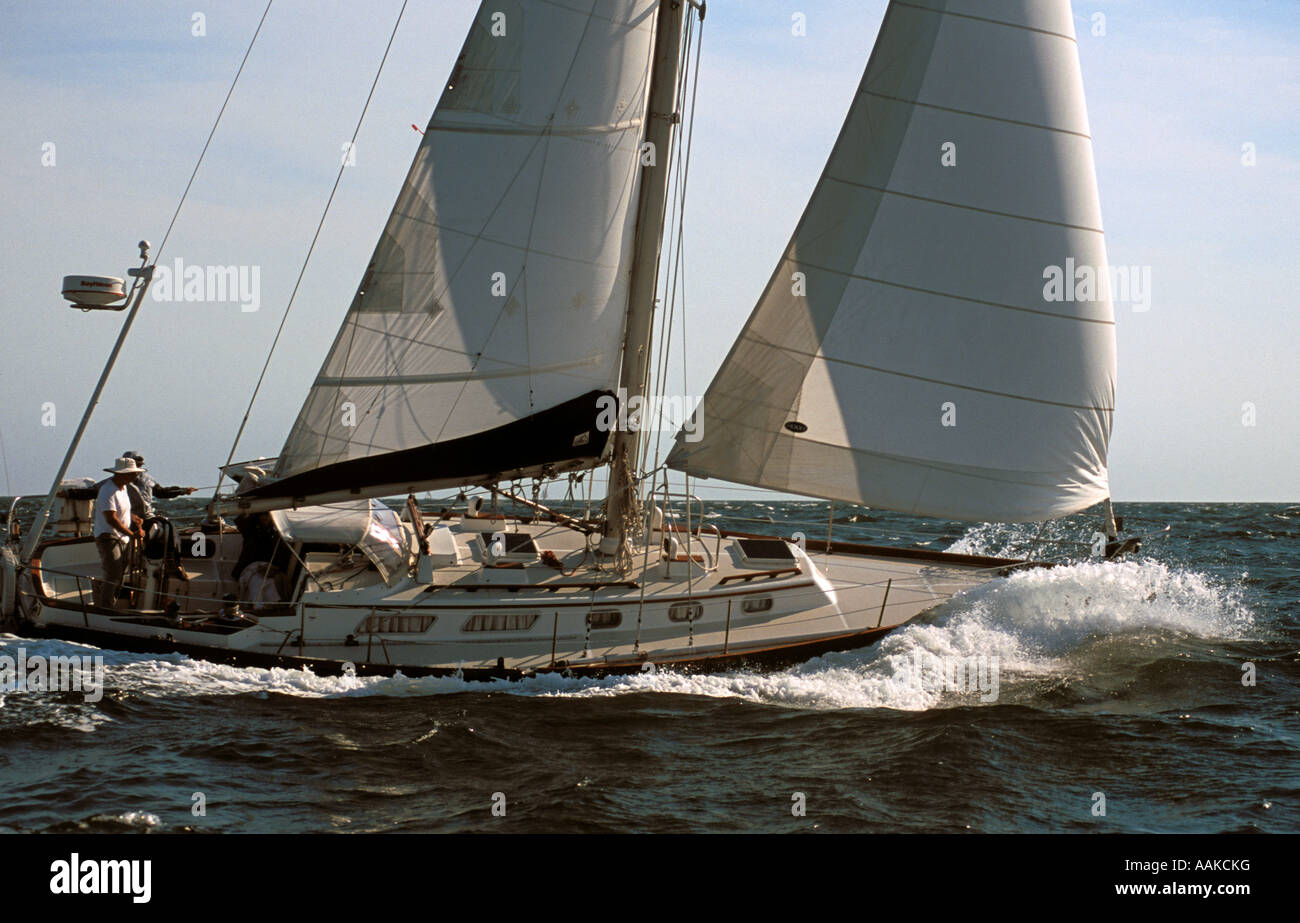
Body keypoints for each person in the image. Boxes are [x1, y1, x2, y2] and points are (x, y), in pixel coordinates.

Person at [94, 456, 146, 608]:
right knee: (113, 574)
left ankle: (111, 604)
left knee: (120, 575)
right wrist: (132, 534)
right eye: (134, 473)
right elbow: (111, 519)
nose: (136, 475)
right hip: (108, 537)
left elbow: (121, 512)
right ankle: (106, 608)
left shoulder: (123, 489)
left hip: (122, 538)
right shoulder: (107, 490)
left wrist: (135, 519)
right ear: (124, 474)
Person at [121, 450, 195, 516]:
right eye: (136, 465)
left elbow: (161, 492)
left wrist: (182, 491)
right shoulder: (116, 481)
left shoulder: (148, 479)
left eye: (140, 465)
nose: (138, 467)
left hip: (146, 515)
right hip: (125, 515)